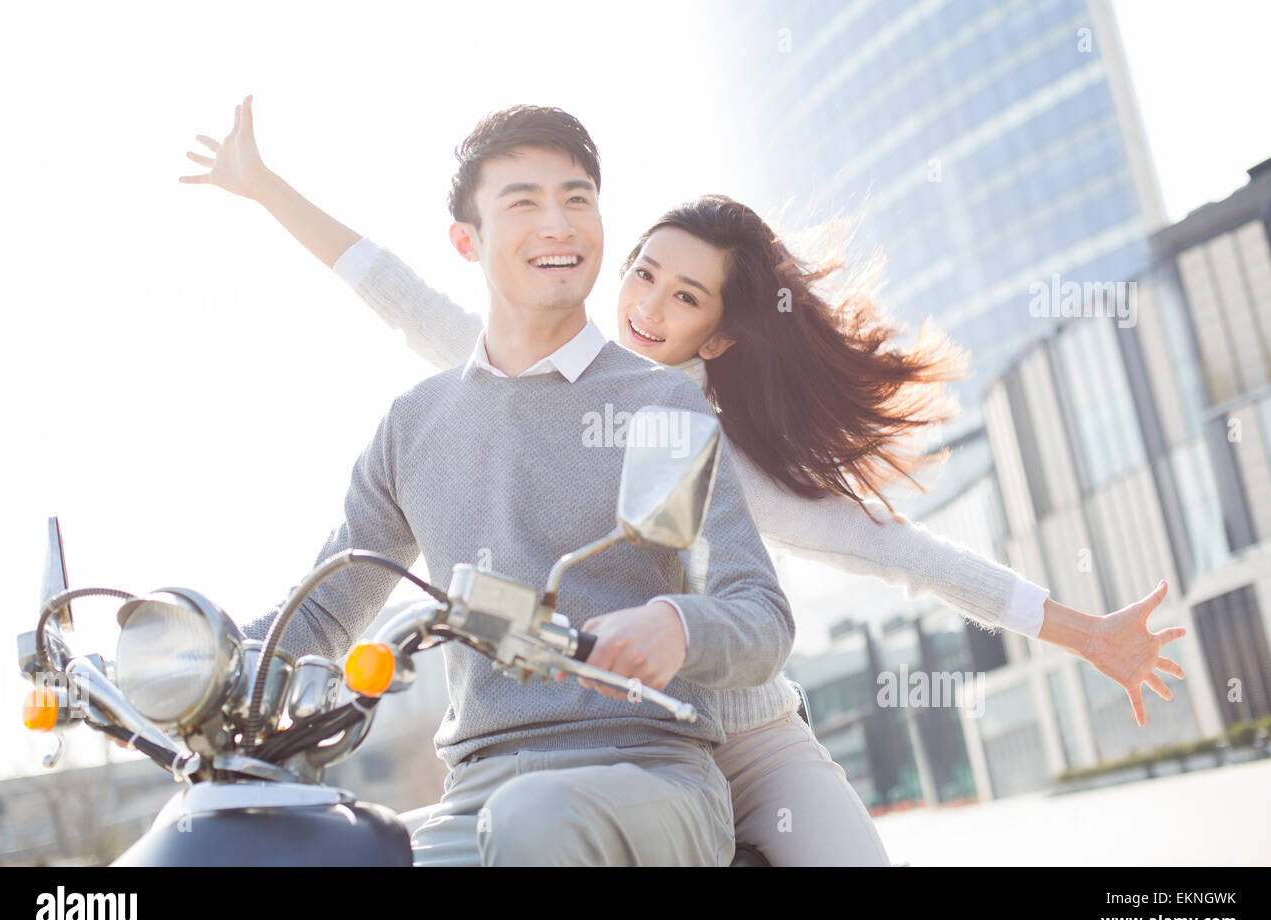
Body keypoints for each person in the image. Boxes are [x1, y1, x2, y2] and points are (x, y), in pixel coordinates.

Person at [184, 95, 1188, 867]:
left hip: (740, 737)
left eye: (686, 295)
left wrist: (1085, 629)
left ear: (720, 328)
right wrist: (265, 187)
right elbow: (390, 287)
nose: (650, 306)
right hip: (538, 757)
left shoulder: (694, 432)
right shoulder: (462, 391)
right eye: (644, 273)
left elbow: (902, 555)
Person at [233, 105, 797, 866]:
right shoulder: (414, 422)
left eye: (577, 198)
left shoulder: (661, 403)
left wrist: (677, 625)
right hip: (476, 793)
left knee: (535, 819)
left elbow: (759, 616)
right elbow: (330, 604)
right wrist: (190, 659)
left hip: (649, 776)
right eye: (523, 202)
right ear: (467, 241)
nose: (559, 224)